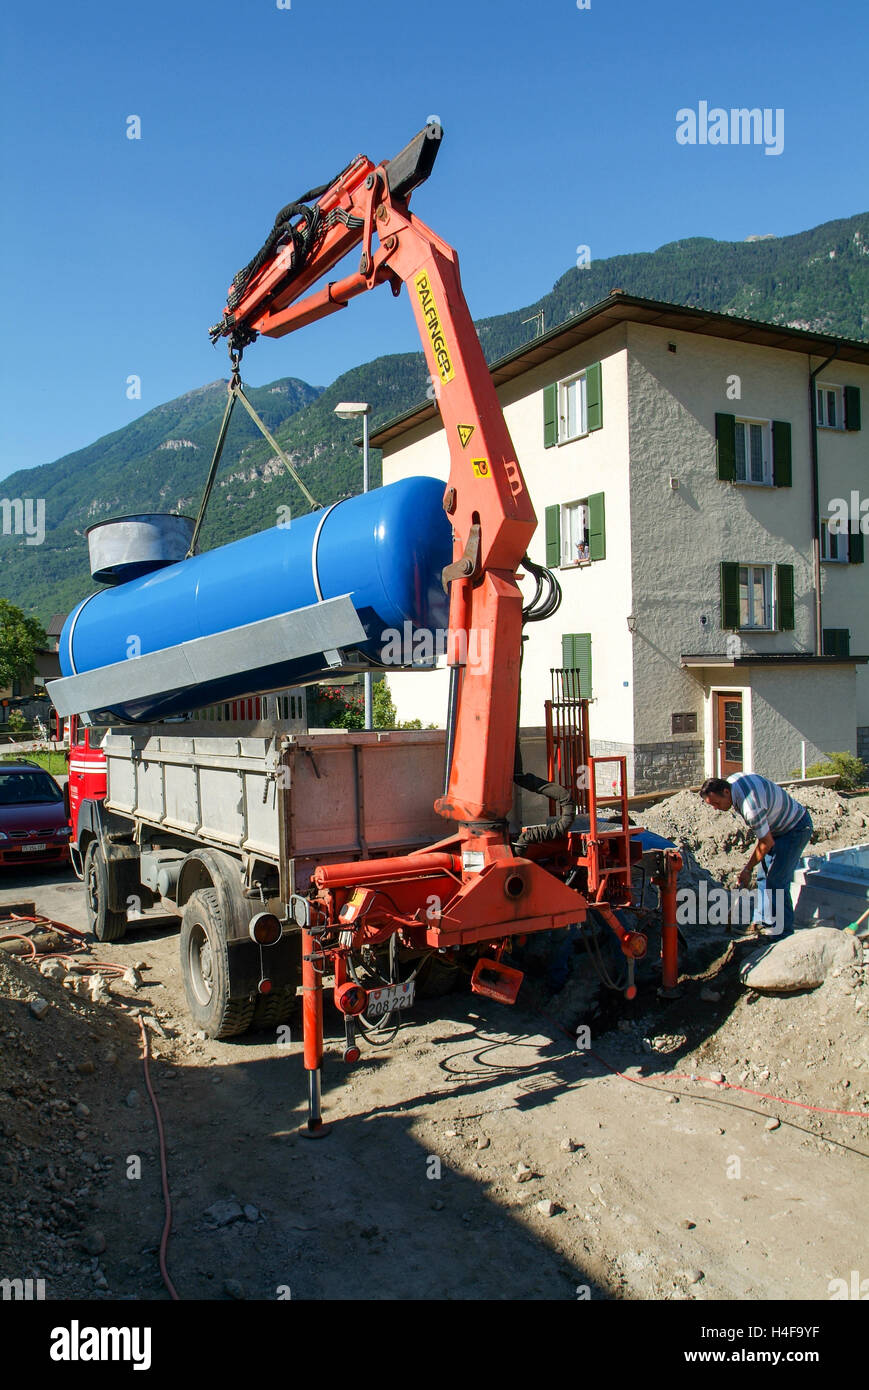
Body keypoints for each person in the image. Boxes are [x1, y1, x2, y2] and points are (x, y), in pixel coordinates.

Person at [699, 774, 813, 937]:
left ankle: (782, 933)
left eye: (717, 803)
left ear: (725, 791)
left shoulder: (750, 807)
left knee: (777, 881)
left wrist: (747, 869)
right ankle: (763, 922)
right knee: (763, 877)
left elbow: (766, 842)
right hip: (776, 828)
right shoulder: (733, 781)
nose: (716, 808)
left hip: (795, 828)